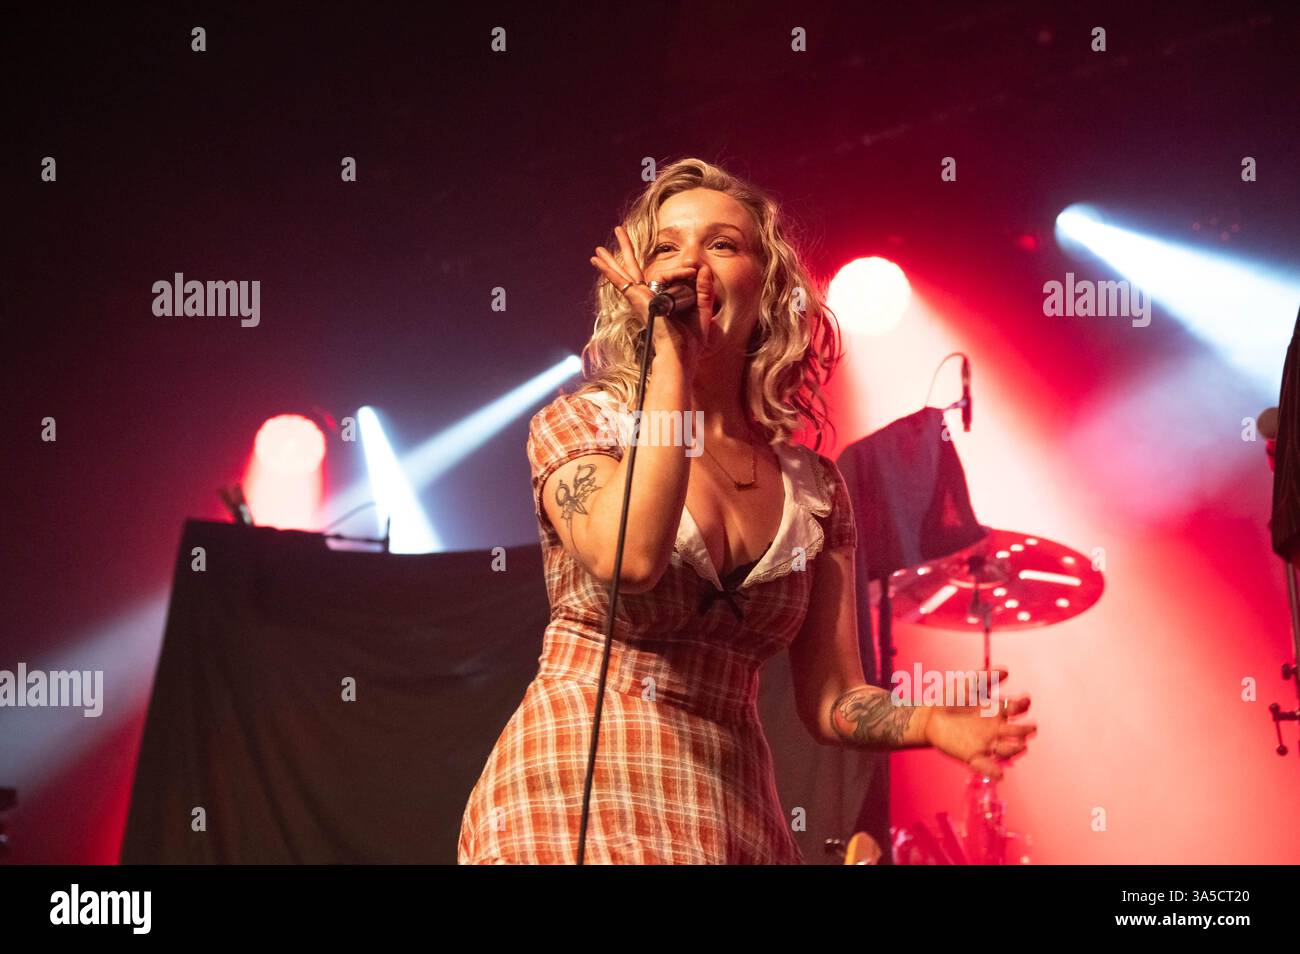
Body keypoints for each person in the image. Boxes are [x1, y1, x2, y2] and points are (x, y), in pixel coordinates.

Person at [457, 157, 1036, 864]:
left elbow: (831, 697)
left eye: (722, 245)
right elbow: (630, 558)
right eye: (667, 247)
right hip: (574, 783)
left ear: (767, 287)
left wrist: (932, 723)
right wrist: (670, 358)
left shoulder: (814, 489)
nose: (690, 265)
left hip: (729, 808)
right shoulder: (585, 427)